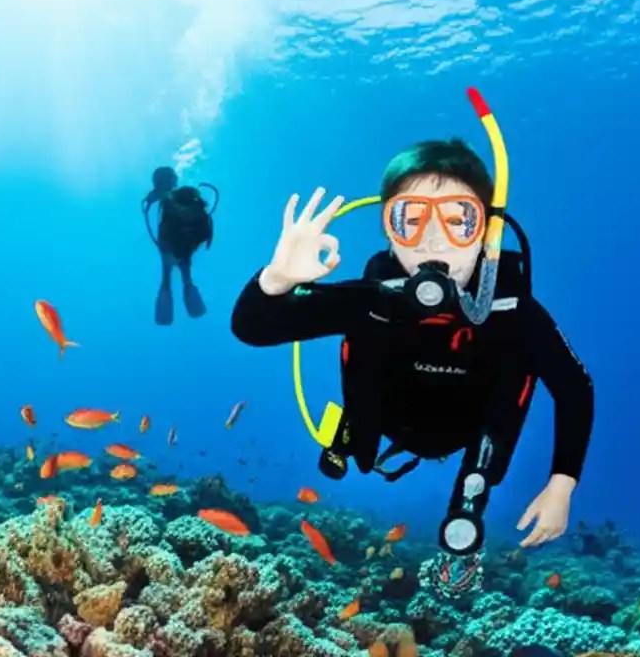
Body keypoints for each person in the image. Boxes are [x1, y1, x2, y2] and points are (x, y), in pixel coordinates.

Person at [230, 139, 594, 589]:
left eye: (460, 220)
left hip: (475, 436)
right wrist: (278, 278)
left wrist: (562, 485)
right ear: (389, 233)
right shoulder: (370, 301)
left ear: (487, 232)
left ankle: (469, 501)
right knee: (358, 440)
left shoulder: (513, 311)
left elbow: (575, 388)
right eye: (411, 220)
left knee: (514, 383)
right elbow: (252, 328)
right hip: (382, 422)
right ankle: (350, 438)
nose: (435, 239)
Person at [141, 166, 218, 325]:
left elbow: (154, 199)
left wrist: (150, 198)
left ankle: (170, 289)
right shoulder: (185, 196)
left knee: (167, 275)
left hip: (169, 247)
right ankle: (187, 287)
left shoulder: (167, 197)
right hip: (184, 247)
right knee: (184, 272)